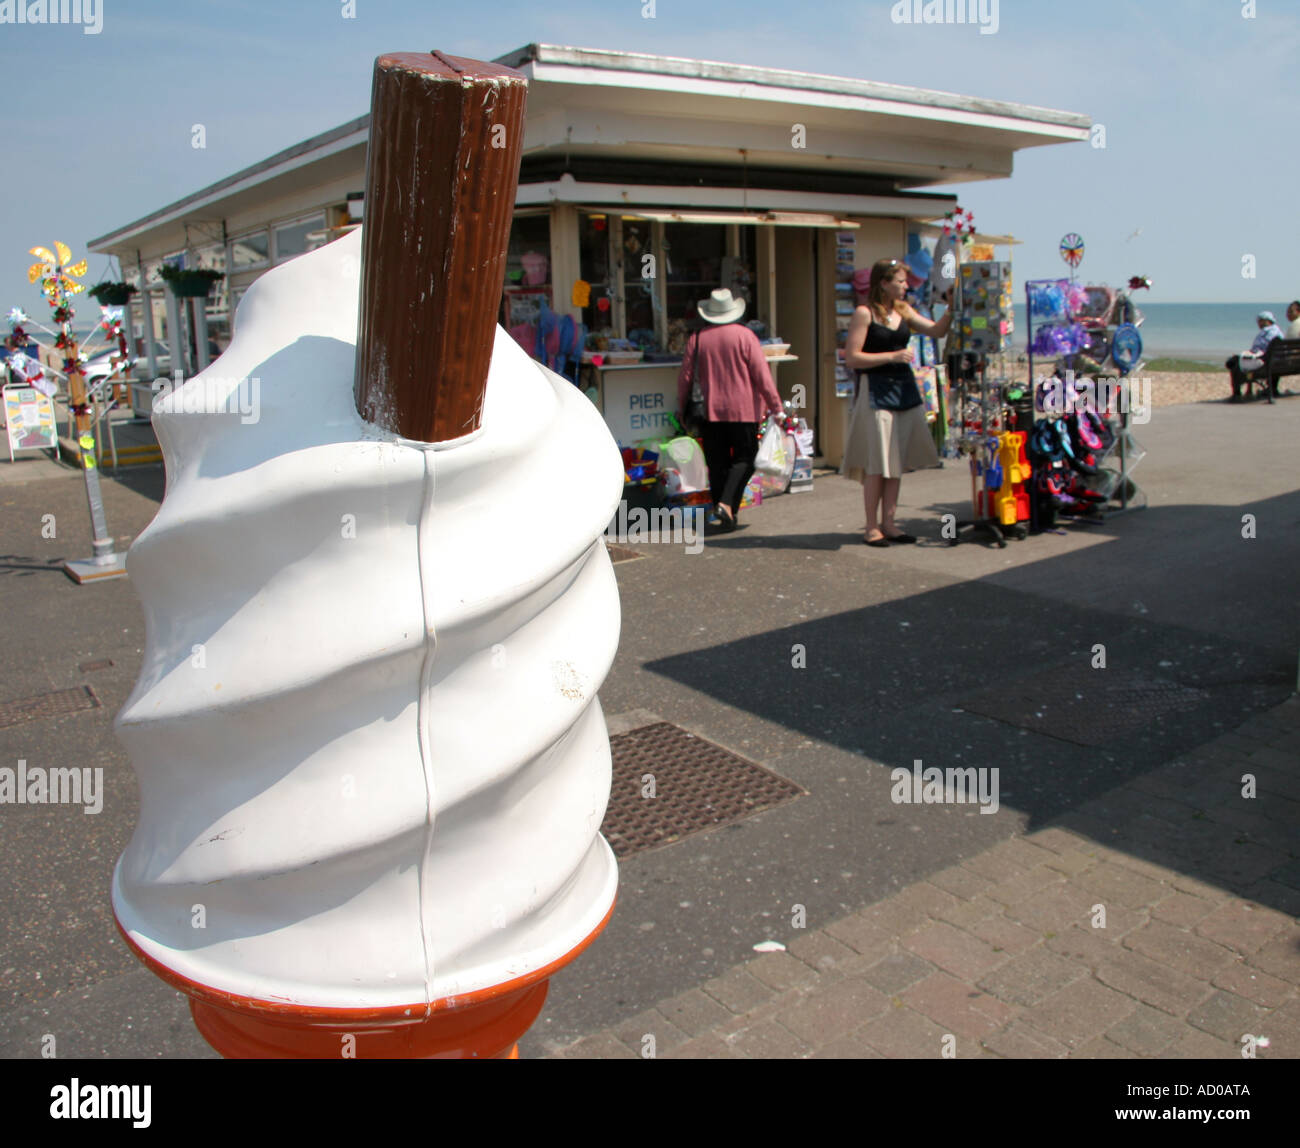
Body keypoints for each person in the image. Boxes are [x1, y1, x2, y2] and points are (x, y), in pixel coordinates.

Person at [841, 259, 952, 546]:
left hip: (903, 387)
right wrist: (891, 357)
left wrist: (953, 307)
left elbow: (937, 331)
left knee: (896, 460)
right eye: (901, 281)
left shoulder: (903, 310)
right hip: (875, 389)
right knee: (877, 462)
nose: (905, 286)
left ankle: (889, 522)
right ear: (883, 283)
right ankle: (870, 526)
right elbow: (852, 357)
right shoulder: (864, 314)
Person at [677, 288, 783, 532]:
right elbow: (762, 376)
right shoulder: (745, 336)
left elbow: (685, 377)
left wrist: (682, 407)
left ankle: (724, 512)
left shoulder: (698, 338)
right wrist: (776, 406)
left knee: (717, 463)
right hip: (743, 410)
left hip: (709, 411)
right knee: (746, 459)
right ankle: (726, 506)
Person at [1225, 311, 1284, 401]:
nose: (1258, 323)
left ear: (1267, 321)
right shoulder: (1278, 331)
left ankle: (1236, 394)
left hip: (1264, 362)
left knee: (1235, 362)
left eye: (1260, 321)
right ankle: (1250, 391)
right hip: (1277, 363)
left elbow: (1258, 349)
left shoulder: (1266, 332)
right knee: (1237, 359)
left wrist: (1249, 353)